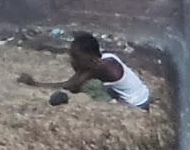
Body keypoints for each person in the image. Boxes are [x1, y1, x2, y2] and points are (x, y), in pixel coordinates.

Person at [17, 32, 152, 109]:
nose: (73, 61)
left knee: (91, 88)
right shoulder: (106, 58)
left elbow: (71, 86)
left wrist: (35, 84)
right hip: (143, 96)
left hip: (138, 105)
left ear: (91, 56)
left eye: (76, 57)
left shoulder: (100, 67)